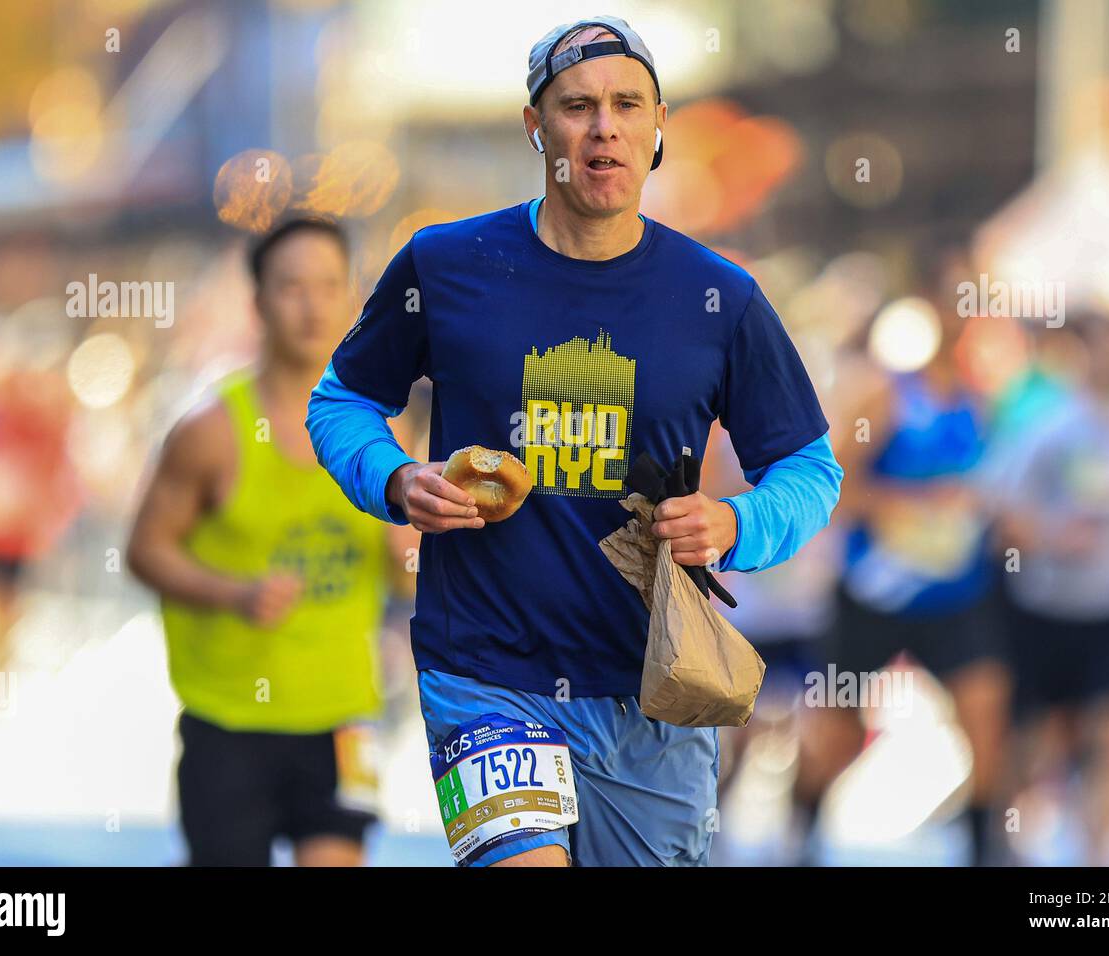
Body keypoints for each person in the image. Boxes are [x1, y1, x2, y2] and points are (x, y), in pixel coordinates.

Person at [307, 16, 842, 867]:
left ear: (659, 125)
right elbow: (341, 401)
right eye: (577, 106)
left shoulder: (718, 296)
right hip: (482, 672)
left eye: (629, 104)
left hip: (656, 688)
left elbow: (810, 468)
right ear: (536, 127)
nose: (605, 127)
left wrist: (738, 524)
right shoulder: (444, 265)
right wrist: (397, 480)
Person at [128, 218, 393, 866]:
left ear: (351, 297)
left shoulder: (385, 426)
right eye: (291, 287)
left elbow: (413, 571)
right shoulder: (211, 429)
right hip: (230, 721)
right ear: (258, 302)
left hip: (343, 720)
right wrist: (233, 592)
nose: (311, 306)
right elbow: (144, 549)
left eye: (328, 286)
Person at [806, 303, 1010, 866]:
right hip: (876, 595)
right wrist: (914, 505)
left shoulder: (980, 406)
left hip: (955, 596)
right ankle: (805, 831)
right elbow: (836, 492)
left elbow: (992, 491)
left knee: (986, 713)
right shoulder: (887, 399)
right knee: (841, 733)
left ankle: (980, 846)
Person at [991, 317, 1109, 865]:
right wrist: (1049, 536)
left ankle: (1100, 865)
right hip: (1043, 609)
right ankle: (1003, 839)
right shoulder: (1046, 424)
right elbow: (1000, 516)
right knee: (1041, 739)